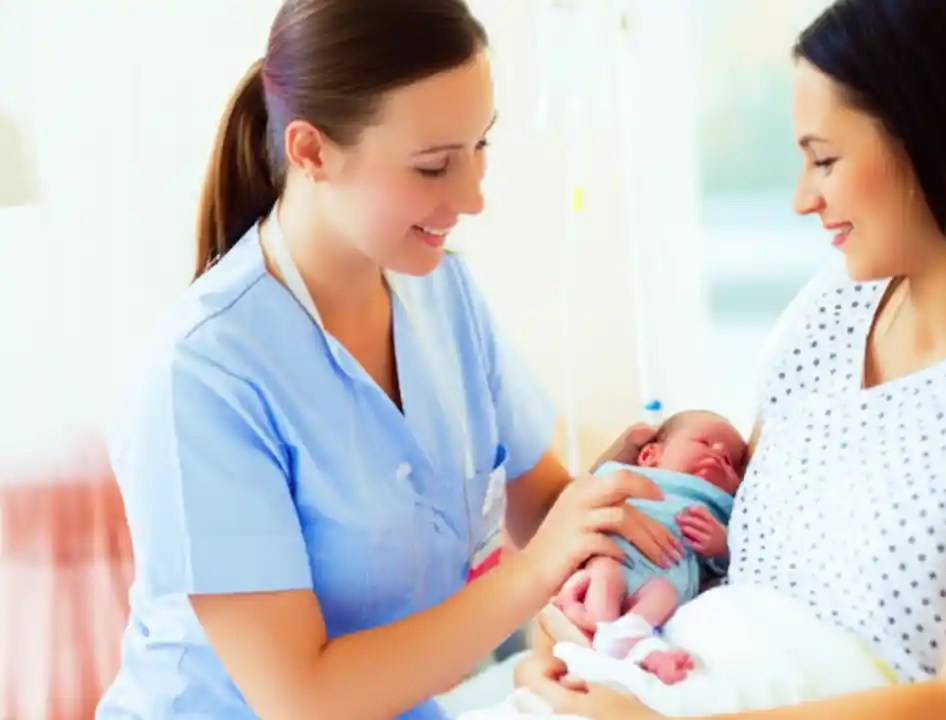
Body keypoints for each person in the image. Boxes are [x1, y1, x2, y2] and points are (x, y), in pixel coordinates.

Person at [516, 1, 946, 718]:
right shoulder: (831, 315)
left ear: (938, 141)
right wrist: (568, 643)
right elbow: (725, 571)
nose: (804, 197)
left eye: (825, 158)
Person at [95, 2, 685, 718]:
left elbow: (544, 508)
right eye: (434, 166)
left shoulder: (446, 297)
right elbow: (302, 698)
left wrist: (614, 503)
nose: (472, 196)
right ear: (311, 152)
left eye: (479, 148)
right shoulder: (199, 377)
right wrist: (536, 573)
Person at [554, 411, 748, 684]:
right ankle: (603, 641)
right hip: (617, 557)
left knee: (662, 596)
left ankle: (632, 648)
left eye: (731, 461)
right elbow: (578, 503)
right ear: (649, 456)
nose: (718, 453)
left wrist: (721, 545)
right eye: (704, 442)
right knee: (606, 574)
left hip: (663, 581)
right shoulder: (624, 475)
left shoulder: (725, 510)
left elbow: (741, 557)